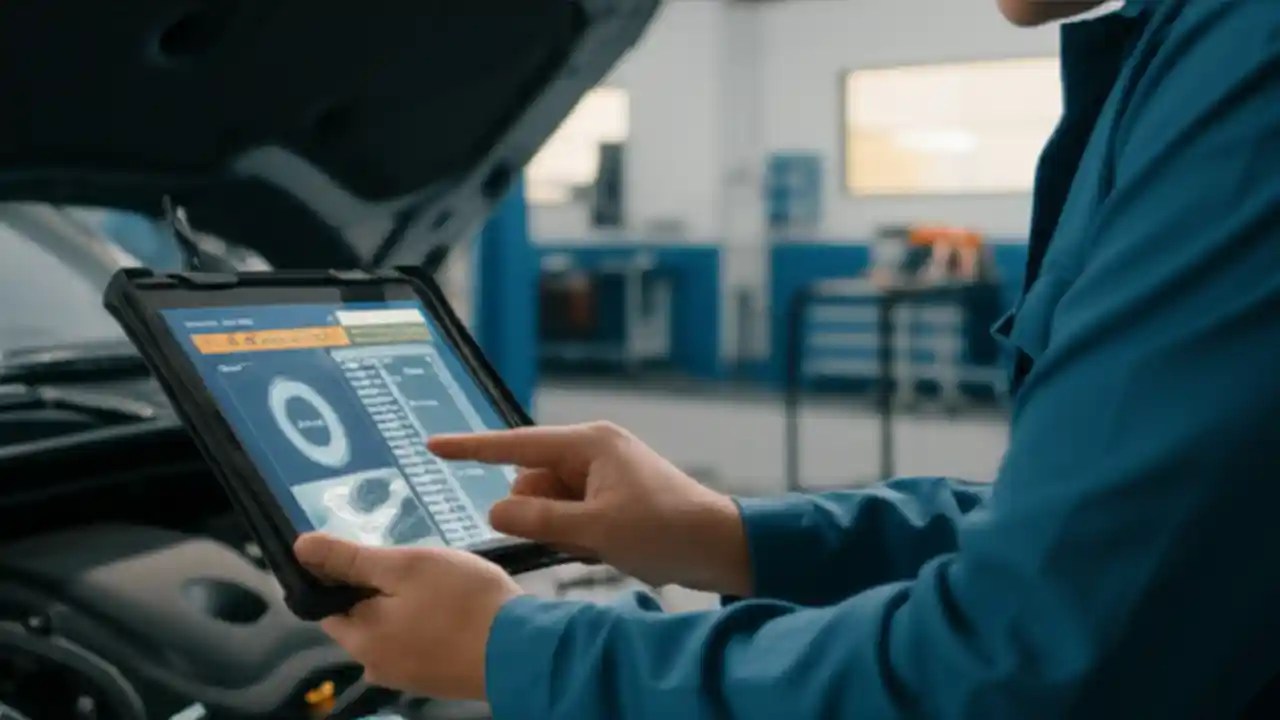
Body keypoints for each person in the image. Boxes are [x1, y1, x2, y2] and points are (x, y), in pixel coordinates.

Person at [294, 0, 1280, 716]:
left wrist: (521, 653)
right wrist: (731, 535)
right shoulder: (1184, 52)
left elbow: (1025, 667)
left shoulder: (1246, 60)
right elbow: (1137, 542)